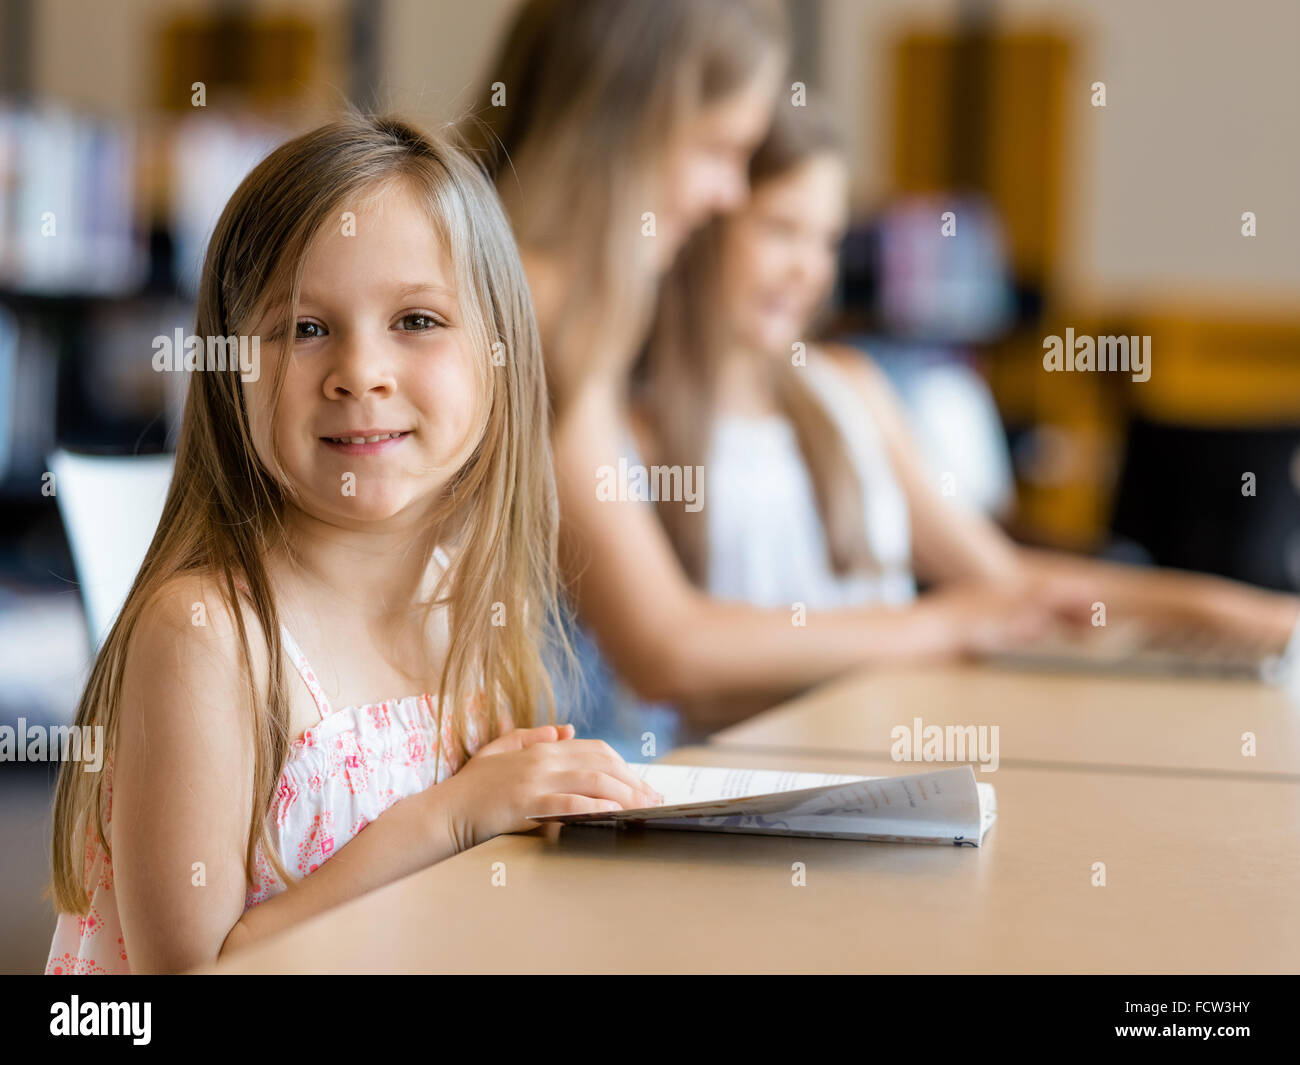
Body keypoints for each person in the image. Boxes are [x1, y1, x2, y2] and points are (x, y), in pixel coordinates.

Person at [45, 114, 662, 976]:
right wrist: (448, 817)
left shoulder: (461, 598)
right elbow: (190, 970)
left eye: (416, 319)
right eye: (303, 328)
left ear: (501, 359)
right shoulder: (206, 638)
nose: (359, 371)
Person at [470, 0, 1067, 754]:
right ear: (635, 120)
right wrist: (945, 621)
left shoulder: (548, 296)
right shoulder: (545, 307)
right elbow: (666, 646)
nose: (727, 192)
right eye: (719, 148)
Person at [631, 99, 1300, 731]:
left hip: (871, 759)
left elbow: (1006, 581)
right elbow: (676, 653)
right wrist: (941, 623)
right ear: (701, 223)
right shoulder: (631, 422)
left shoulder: (850, 390)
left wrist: (1246, 614)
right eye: (781, 231)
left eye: (827, 240)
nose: (809, 269)